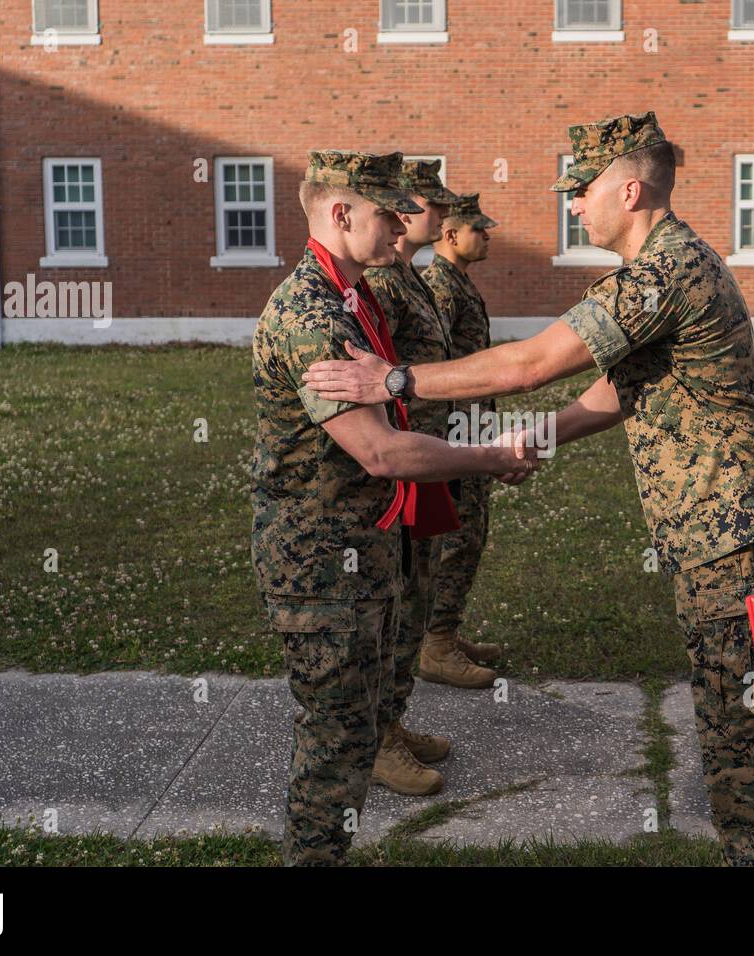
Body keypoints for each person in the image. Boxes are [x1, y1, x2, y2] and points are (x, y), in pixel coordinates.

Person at [302, 113, 754, 866]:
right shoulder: (663, 267)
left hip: (731, 532)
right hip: (715, 528)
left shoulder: (665, 272)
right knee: (734, 707)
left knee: (740, 723)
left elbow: (530, 363)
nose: (572, 205)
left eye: (581, 189)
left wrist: (392, 377)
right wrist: (528, 441)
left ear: (628, 190)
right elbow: (624, 390)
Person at [252, 148, 539, 865]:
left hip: (364, 546)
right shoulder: (309, 314)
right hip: (320, 562)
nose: (405, 220)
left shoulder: (357, 297)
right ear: (341, 213)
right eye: (388, 210)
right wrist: (487, 459)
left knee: (355, 727)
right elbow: (378, 451)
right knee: (337, 743)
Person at [364, 158, 492, 800]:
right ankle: (378, 737)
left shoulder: (408, 280)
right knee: (398, 597)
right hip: (408, 459)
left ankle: (392, 722)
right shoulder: (385, 285)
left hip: (434, 450)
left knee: (415, 591)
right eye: (431, 205)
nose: (442, 216)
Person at [419, 193, 503, 672]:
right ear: (452, 235)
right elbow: (438, 370)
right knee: (458, 536)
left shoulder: (457, 282)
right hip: (456, 428)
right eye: (479, 229)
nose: (487, 235)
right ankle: (437, 644)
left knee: (472, 532)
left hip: (473, 423)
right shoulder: (441, 287)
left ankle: (446, 629)